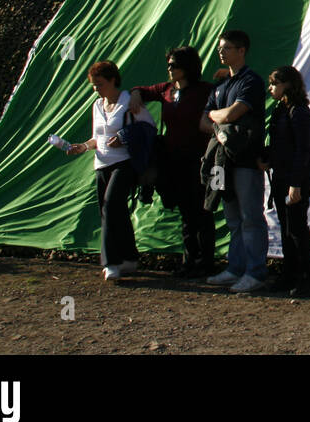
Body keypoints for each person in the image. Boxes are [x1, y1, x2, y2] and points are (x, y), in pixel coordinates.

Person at [128, 46, 216, 278]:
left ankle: (205, 262)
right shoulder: (167, 90)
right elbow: (141, 89)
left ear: (187, 67)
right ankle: (189, 261)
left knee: (203, 211)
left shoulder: (204, 90)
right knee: (186, 213)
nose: (170, 68)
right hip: (174, 160)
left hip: (200, 159)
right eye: (168, 64)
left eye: (174, 65)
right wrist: (136, 93)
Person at [67, 61, 155, 281]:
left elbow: (149, 127)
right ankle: (129, 258)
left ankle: (111, 262)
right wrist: (84, 146)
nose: (96, 88)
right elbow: (98, 138)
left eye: (100, 83)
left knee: (111, 204)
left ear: (113, 80)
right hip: (101, 164)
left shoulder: (128, 101)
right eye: (93, 85)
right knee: (115, 210)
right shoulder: (97, 105)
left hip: (124, 162)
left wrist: (125, 137)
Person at [201, 29, 267, 293]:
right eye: (221, 48)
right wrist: (220, 120)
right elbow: (203, 122)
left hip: (246, 160)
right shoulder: (220, 85)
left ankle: (256, 273)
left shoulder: (251, 81)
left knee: (250, 216)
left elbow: (233, 113)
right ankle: (235, 268)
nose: (221, 52)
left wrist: (218, 117)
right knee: (232, 218)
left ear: (241, 51)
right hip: (221, 160)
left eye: (227, 48)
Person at [263, 65, 310, 298]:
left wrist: (295, 184)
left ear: (287, 84)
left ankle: (308, 278)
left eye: (275, 83)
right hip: (281, 176)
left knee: (297, 228)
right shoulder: (281, 110)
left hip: (295, 179)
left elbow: (303, 151)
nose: (271, 88)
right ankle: (289, 273)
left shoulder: (299, 112)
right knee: (287, 228)